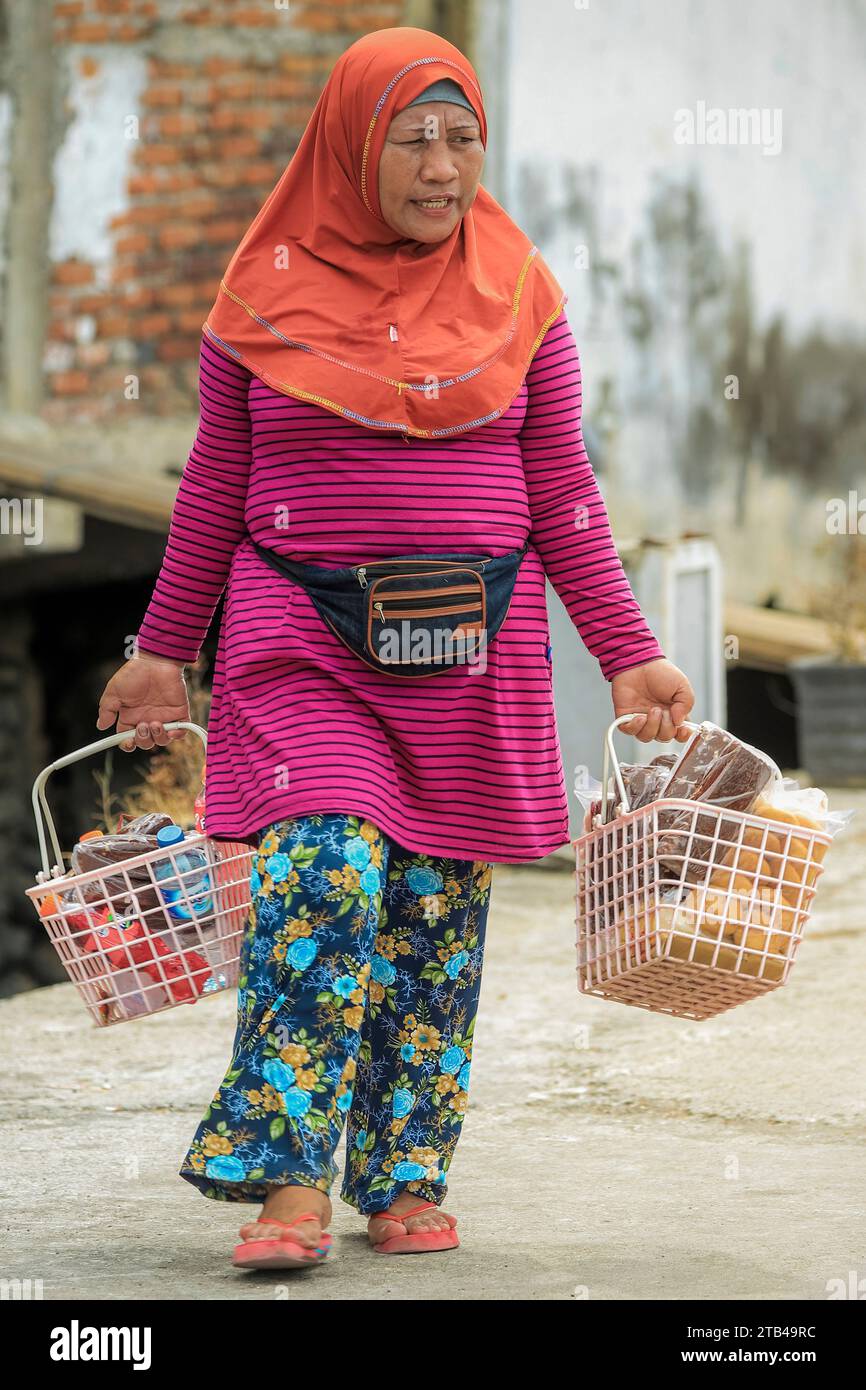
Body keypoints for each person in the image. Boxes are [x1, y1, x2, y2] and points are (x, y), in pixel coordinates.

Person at [96, 26, 695, 1269]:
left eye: (461, 135)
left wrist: (629, 654)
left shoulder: (519, 293)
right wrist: (163, 649)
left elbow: (561, 492)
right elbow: (214, 482)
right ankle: (287, 1182)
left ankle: (405, 1170)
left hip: (468, 656)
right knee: (325, 870)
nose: (439, 164)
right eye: (410, 138)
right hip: (299, 639)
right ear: (350, 146)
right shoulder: (261, 295)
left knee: (431, 910)